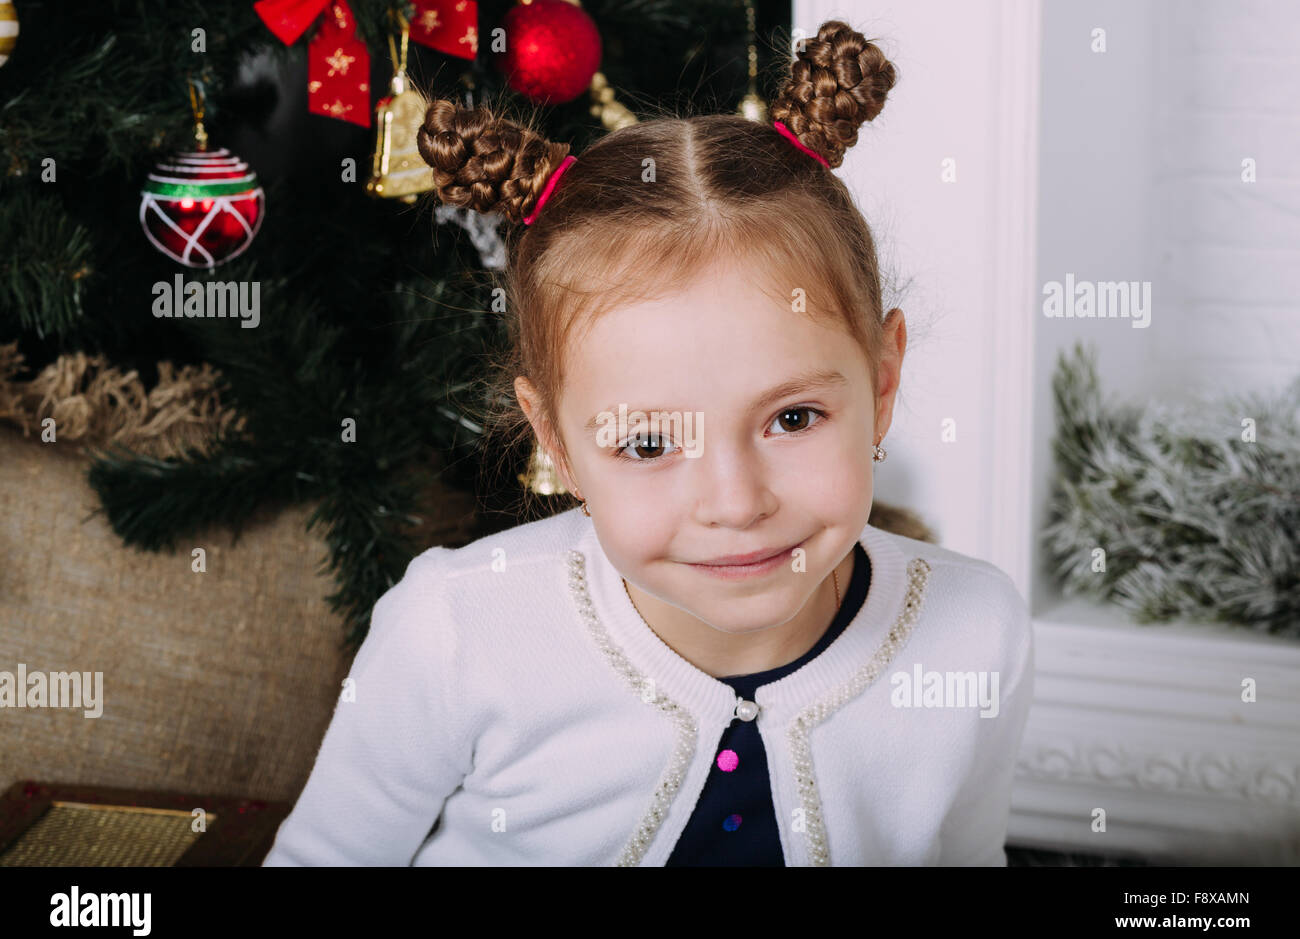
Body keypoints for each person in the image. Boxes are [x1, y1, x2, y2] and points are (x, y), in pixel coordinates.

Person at [263, 19, 1034, 867]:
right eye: (648, 444)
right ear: (554, 439)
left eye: (792, 419)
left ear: (882, 385)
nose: (737, 504)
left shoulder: (975, 628)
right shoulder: (456, 629)